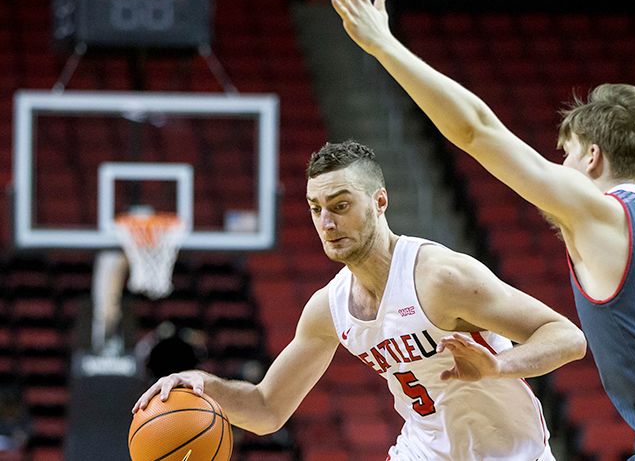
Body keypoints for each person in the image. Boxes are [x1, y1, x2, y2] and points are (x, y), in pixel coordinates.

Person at [329, 0, 635, 459]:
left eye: (566, 153)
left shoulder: (604, 214)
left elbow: (477, 131)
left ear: (592, 157)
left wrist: (384, 46)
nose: (560, 166)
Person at [134, 140, 587, 460]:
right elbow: (266, 409)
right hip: (420, 451)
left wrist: (499, 365)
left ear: (380, 201)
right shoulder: (328, 309)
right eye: (316, 209)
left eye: (340, 205)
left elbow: (567, 336)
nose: (327, 223)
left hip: (512, 453)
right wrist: (202, 384)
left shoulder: (440, 277)